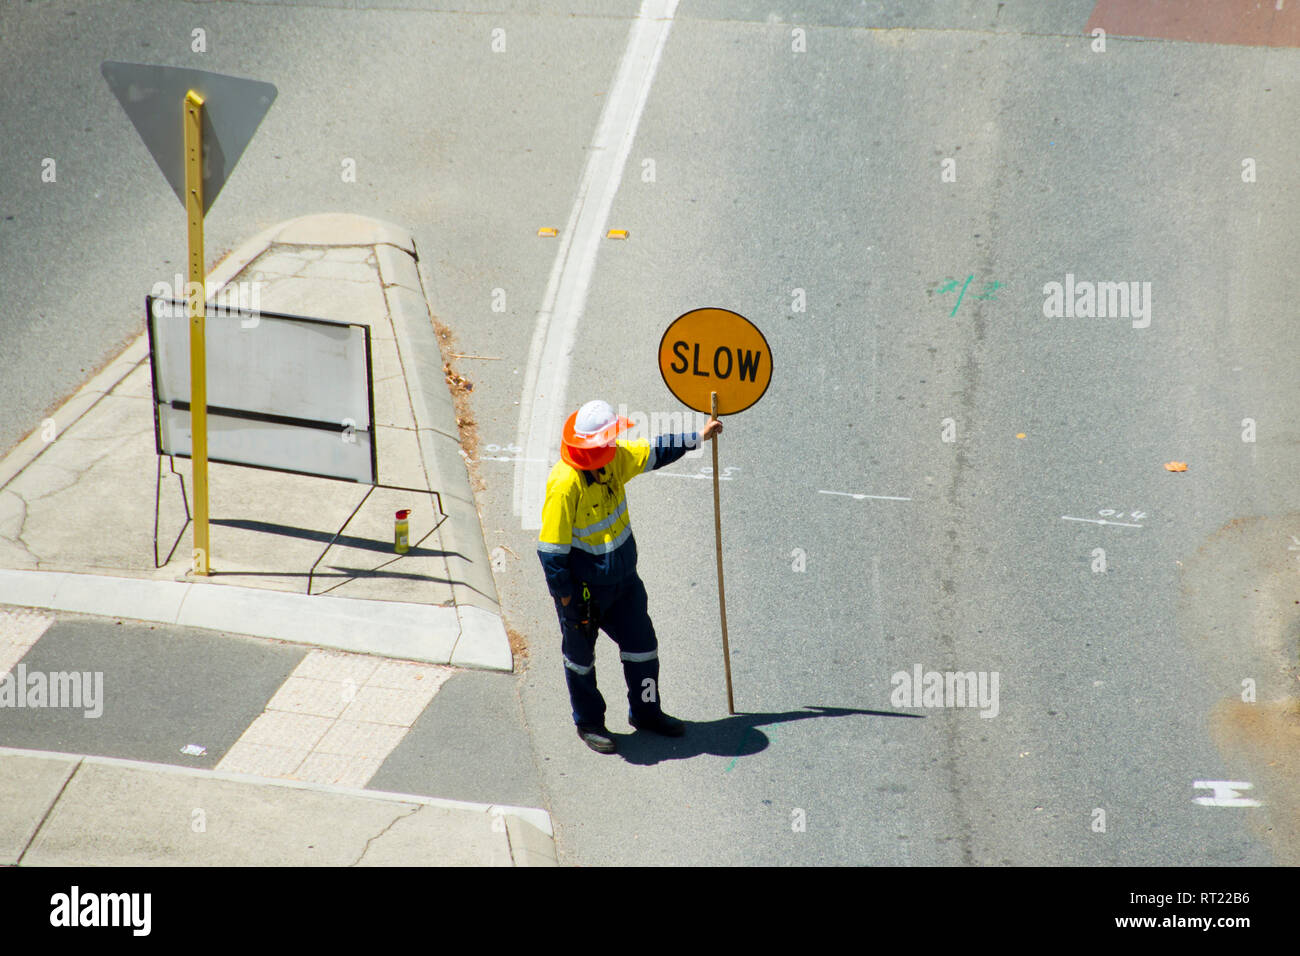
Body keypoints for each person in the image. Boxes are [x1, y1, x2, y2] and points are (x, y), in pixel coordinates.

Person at [537, 399, 723, 753]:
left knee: (643, 649)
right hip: (583, 594)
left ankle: (646, 711)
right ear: (591, 446)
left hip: (624, 586)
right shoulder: (564, 484)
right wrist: (565, 599)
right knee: (580, 661)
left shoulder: (613, 460)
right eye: (606, 441)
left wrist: (698, 437)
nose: (613, 446)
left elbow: (654, 451)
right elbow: (551, 552)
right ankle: (589, 722)